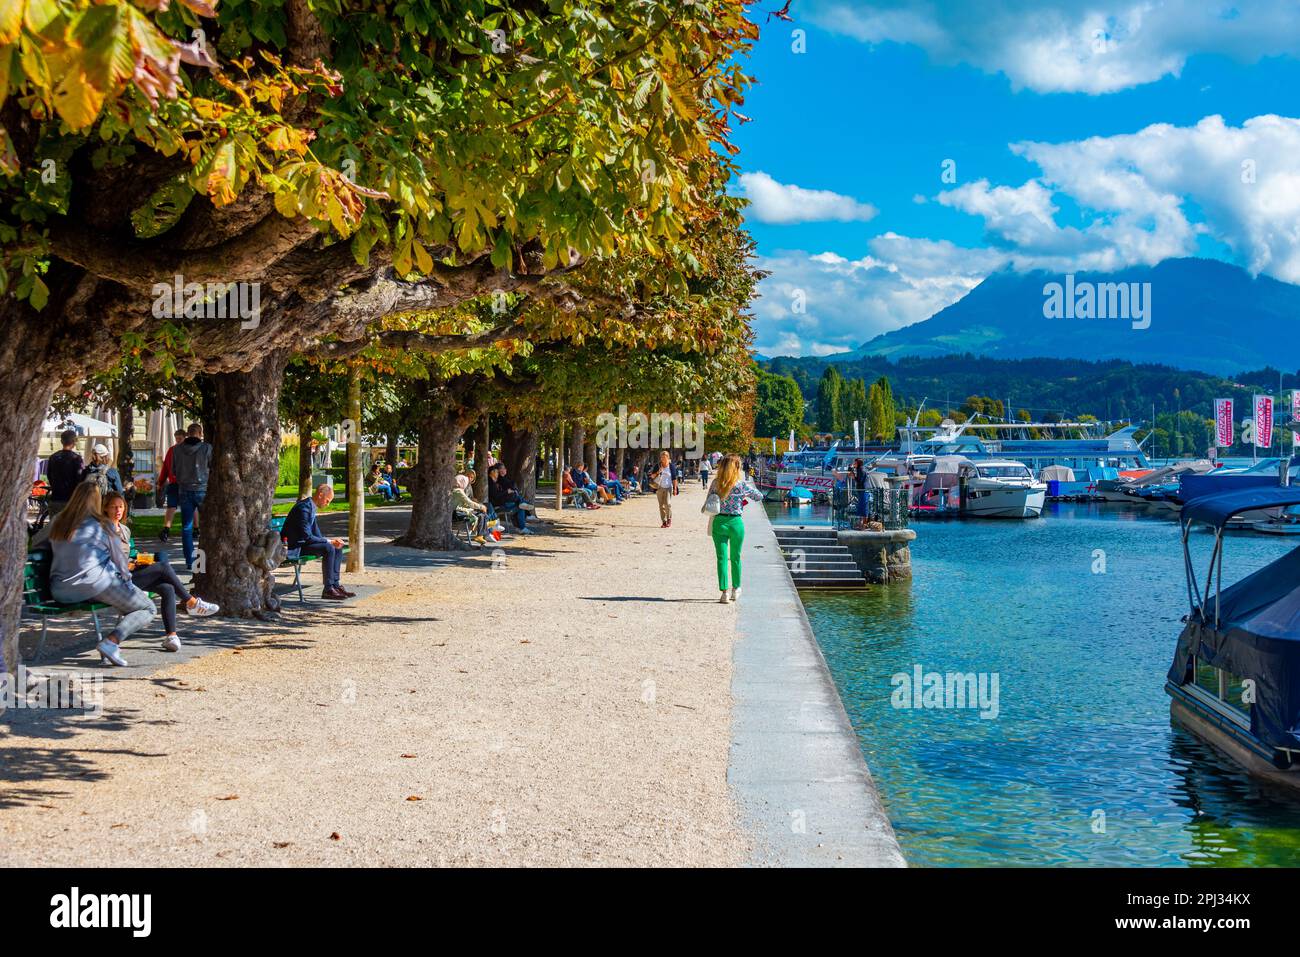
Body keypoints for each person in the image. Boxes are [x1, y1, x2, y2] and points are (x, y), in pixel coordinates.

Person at [46, 483, 156, 666]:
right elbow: (121, 562)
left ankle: (111, 642)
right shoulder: (103, 524)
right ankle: (111, 641)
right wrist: (129, 585)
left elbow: (38, 543)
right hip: (95, 585)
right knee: (148, 608)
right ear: (98, 501)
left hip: (60, 589)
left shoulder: (58, 521)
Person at [102, 491, 218, 650]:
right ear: (105, 509)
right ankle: (191, 602)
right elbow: (104, 560)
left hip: (129, 573)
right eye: (114, 507)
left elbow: (127, 555)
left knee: (167, 587)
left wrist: (137, 561)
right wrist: (128, 565)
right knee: (163, 567)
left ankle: (172, 636)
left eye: (121, 506)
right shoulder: (102, 530)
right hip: (115, 579)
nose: (118, 510)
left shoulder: (124, 529)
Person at [706, 453, 763, 603]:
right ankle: (736, 589)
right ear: (736, 467)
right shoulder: (741, 485)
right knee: (736, 558)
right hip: (736, 523)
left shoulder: (716, 483)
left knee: (721, 558)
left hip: (719, 522)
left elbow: (709, 501)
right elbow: (759, 496)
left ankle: (724, 591)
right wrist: (742, 498)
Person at [283, 484, 353, 600]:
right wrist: (329, 542)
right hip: (295, 547)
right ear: (320, 495)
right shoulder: (304, 508)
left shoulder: (310, 506)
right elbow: (307, 536)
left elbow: (316, 533)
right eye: (327, 501)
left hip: (304, 543)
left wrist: (333, 542)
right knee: (329, 548)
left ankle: (335, 585)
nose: (328, 504)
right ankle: (328, 589)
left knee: (337, 547)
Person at [173, 423, 212, 570]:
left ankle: (190, 561)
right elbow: (212, 466)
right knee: (206, 527)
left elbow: (174, 470)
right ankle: (204, 559)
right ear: (200, 433)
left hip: (184, 489)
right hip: (202, 489)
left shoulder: (177, 450)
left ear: (188, 434)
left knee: (187, 528)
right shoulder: (206, 448)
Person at [45, 430, 84, 516]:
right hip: (71, 500)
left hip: (55, 498)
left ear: (61, 441)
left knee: (54, 527)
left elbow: (49, 476)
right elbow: (80, 479)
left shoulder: (53, 457)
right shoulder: (76, 459)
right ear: (74, 442)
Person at [157, 429, 186, 542]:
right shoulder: (184, 450)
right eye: (177, 439)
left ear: (184, 438)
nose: (178, 441)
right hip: (182, 483)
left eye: (180, 439)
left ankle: (166, 530)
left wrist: (161, 482)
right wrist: (161, 482)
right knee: (172, 507)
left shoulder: (172, 450)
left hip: (177, 483)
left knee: (172, 507)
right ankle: (166, 530)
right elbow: (165, 468)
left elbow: (165, 468)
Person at [488, 464, 534, 533]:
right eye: (497, 472)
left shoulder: (495, 482)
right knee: (520, 505)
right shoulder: (491, 483)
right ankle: (522, 526)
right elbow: (496, 496)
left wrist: (508, 491)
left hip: (502, 502)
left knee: (520, 506)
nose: (498, 474)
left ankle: (521, 527)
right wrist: (507, 491)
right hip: (499, 505)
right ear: (492, 473)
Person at [451, 474, 492, 545]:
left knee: (481, 514)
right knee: (482, 514)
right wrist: (481, 506)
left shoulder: (454, 490)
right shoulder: (458, 491)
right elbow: (469, 503)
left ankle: (483, 530)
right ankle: (482, 533)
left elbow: (464, 503)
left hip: (457, 512)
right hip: (458, 514)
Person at [649, 450, 679, 527]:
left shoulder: (671, 466)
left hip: (669, 487)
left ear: (668, 458)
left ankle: (669, 519)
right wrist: (658, 472)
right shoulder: (658, 466)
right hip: (659, 488)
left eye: (665, 458)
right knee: (661, 505)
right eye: (662, 458)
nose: (663, 459)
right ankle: (664, 521)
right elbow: (652, 476)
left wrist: (675, 488)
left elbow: (674, 479)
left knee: (667, 504)